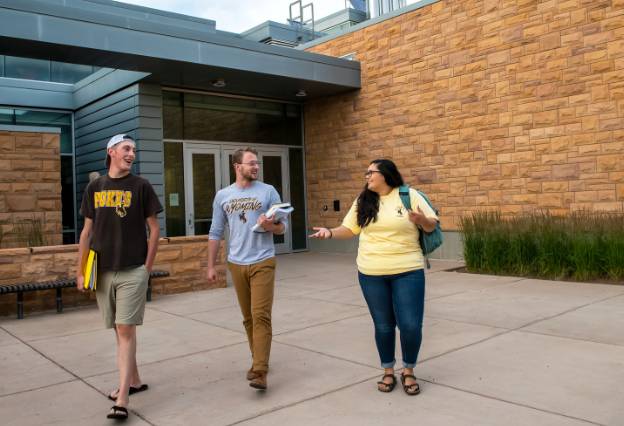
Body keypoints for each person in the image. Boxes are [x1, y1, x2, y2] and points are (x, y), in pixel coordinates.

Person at [310, 159, 438, 395]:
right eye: (366, 173)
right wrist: (329, 233)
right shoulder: (363, 200)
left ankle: (408, 370)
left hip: (408, 270)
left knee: (410, 325)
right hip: (371, 273)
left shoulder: (410, 195)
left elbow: (431, 226)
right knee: (384, 326)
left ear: (386, 174)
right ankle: (388, 370)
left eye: (370, 172)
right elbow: (349, 229)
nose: (366, 176)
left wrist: (422, 221)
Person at [76, 134, 162, 420]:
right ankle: (135, 380)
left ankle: (123, 399)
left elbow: (154, 229)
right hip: (101, 271)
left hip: (132, 270)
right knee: (118, 329)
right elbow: (86, 233)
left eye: (134, 150)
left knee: (125, 330)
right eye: (127, 149)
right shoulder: (95, 187)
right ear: (111, 151)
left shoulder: (141, 186)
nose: (132, 154)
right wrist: (80, 271)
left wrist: (146, 268)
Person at [207, 147, 287, 391]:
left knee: (261, 315)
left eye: (257, 164)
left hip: (263, 260)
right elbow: (216, 231)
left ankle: (260, 370)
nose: (256, 167)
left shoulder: (268, 191)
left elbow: (282, 227)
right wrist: (211, 265)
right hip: (236, 263)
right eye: (251, 163)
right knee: (248, 318)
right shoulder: (223, 195)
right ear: (237, 166)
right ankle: (258, 358)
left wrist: (270, 224)